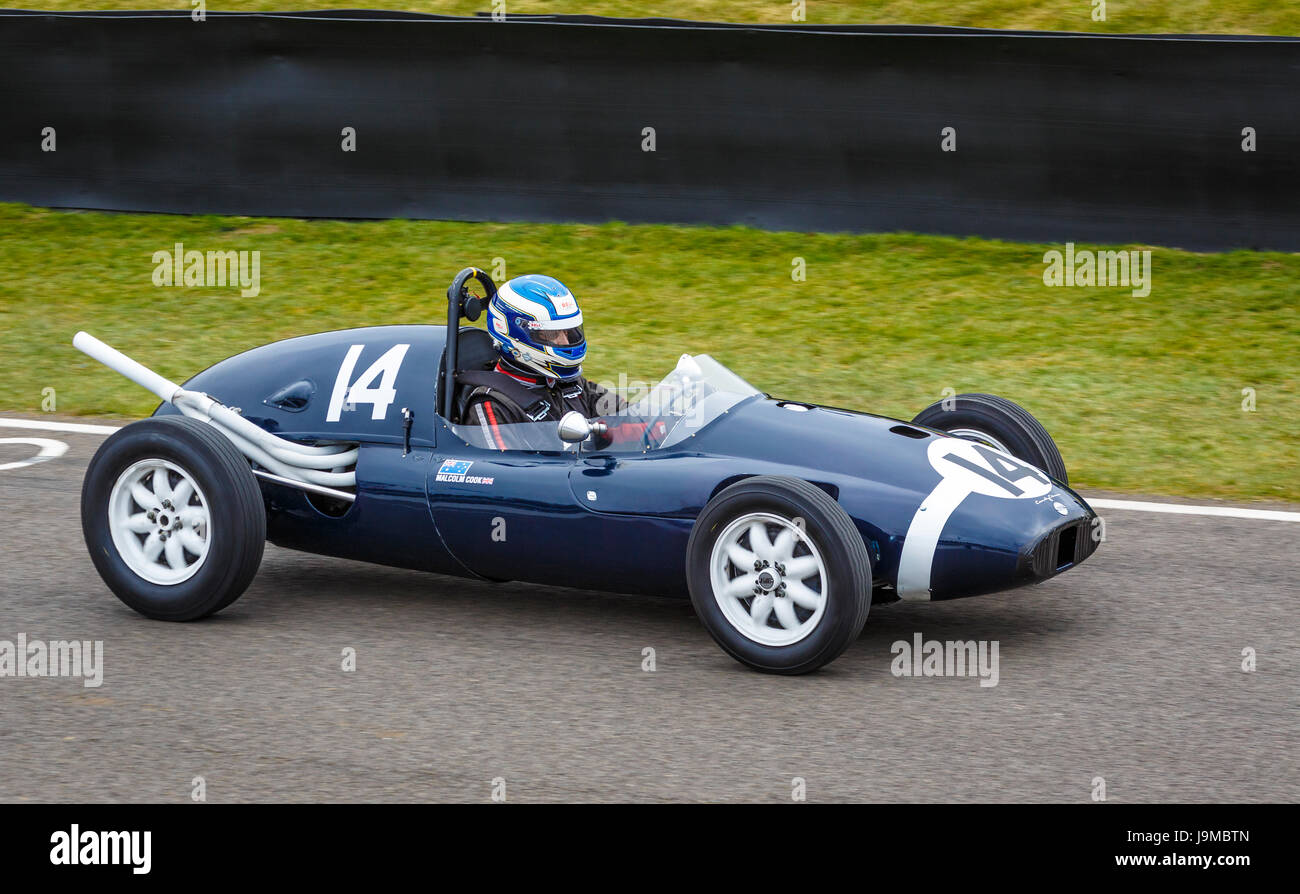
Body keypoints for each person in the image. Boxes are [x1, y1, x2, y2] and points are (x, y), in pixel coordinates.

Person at [459, 274, 633, 449]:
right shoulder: (491, 406)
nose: (565, 342)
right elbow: (505, 472)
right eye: (552, 334)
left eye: (568, 331)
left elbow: (632, 418)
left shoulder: (571, 385)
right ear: (514, 334)